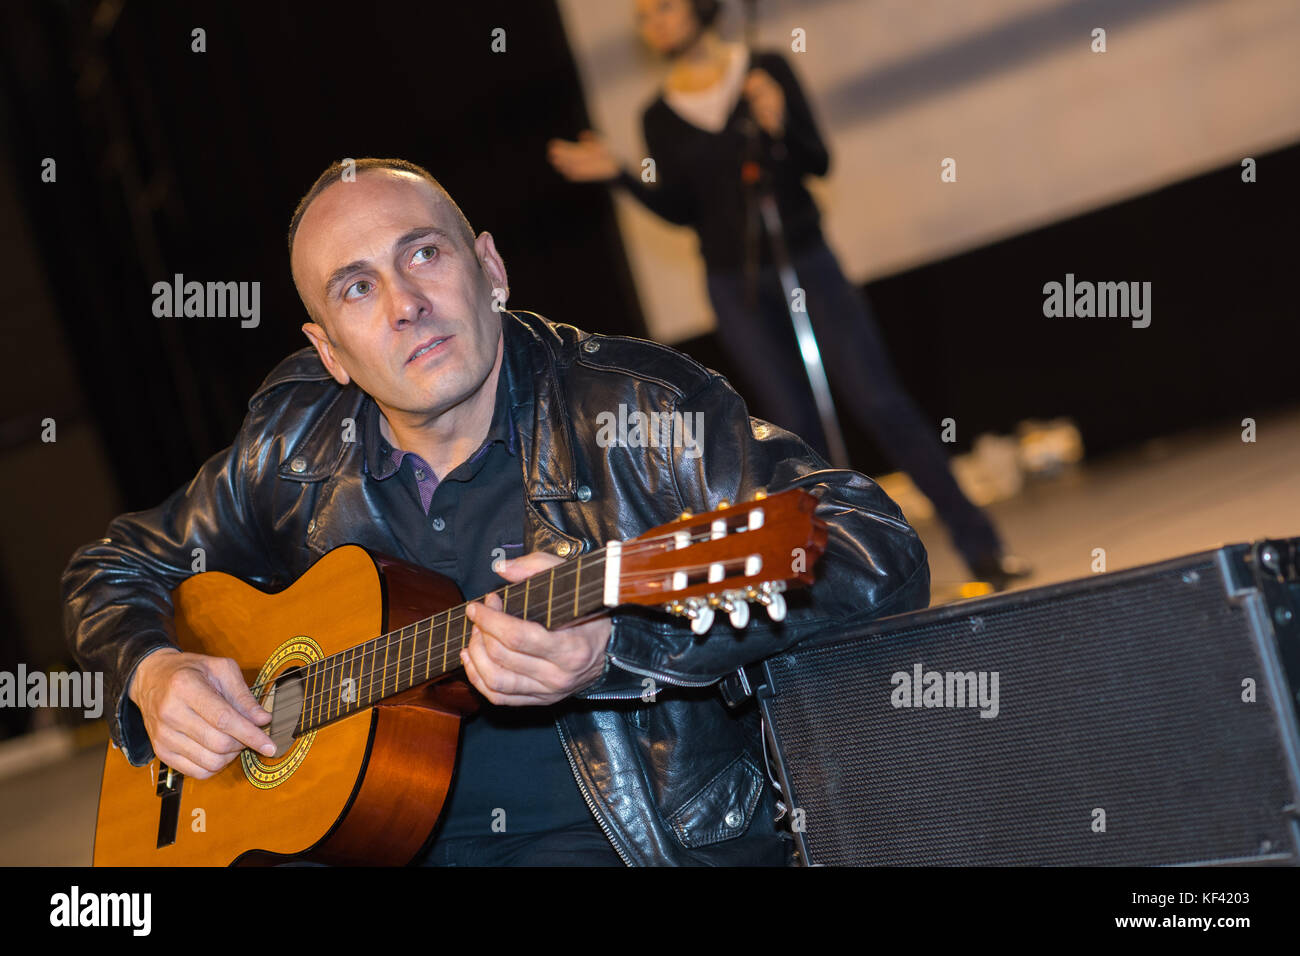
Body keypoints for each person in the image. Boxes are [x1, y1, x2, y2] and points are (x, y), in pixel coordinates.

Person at [61, 157, 929, 866]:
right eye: (357, 290)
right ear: (327, 350)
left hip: (611, 844)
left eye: (424, 255)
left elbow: (872, 547)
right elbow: (114, 565)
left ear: (491, 268)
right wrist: (153, 671)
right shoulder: (293, 441)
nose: (407, 305)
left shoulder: (635, 409)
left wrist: (619, 644)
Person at [547, 0, 1030, 589]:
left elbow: (817, 161)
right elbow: (681, 210)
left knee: (880, 402)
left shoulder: (764, 68)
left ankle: (982, 547)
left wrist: (780, 124)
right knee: (795, 432)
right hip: (736, 285)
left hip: (807, 261)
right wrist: (620, 173)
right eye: (643, 19)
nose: (654, 25)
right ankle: (846, 582)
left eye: (663, 9)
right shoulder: (659, 114)